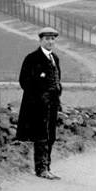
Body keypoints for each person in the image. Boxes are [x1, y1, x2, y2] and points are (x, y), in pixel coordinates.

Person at [16, 25, 64, 178]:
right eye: (47, 39)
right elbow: (24, 81)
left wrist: (58, 92)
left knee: (51, 136)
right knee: (41, 136)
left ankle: (47, 167)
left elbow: (57, 79)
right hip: (37, 105)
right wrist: (39, 97)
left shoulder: (54, 58)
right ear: (41, 40)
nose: (50, 42)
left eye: (52, 39)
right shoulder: (32, 58)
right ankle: (41, 169)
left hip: (52, 104)